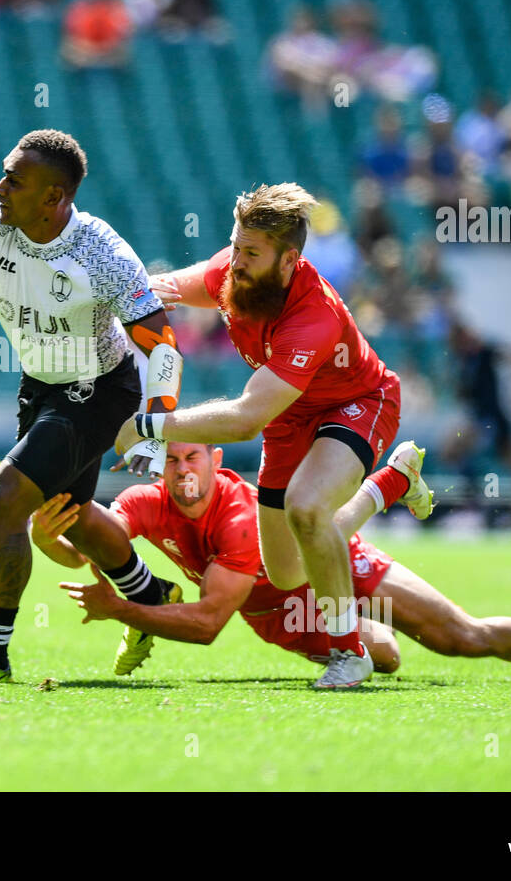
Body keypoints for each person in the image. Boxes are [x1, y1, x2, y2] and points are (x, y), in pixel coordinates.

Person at [0, 129, 185, 684]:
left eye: (14, 181)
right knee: (72, 516)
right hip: (39, 385)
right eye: (3, 174)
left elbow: (161, 345)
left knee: (6, 498)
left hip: (98, 389)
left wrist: (153, 423)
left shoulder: (102, 250)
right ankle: (153, 596)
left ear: (53, 198)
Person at [115, 183, 431, 689]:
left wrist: (148, 424)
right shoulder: (237, 267)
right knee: (286, 573)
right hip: (290, 416)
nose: (236, 262)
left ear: (289, 261)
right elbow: (175, 286)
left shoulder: (313, 316)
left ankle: (348, 655)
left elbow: (245, 420)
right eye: (235, 246)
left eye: (251, 253)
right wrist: (125, 298)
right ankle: (389, 485)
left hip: (354, 406)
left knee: (307, 508)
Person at [40, 442, 511, 685]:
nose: (183, 473)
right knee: (387, 658)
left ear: (214, 461)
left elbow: (208, 624)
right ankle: (387, 485)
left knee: (456, 637)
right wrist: (50, 542)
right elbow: (99, 543)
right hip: (274, 611)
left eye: (194, 460)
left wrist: (123, 608)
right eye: (172, 461)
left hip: (325, 569)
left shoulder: (236, 514)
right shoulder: (144, 500)